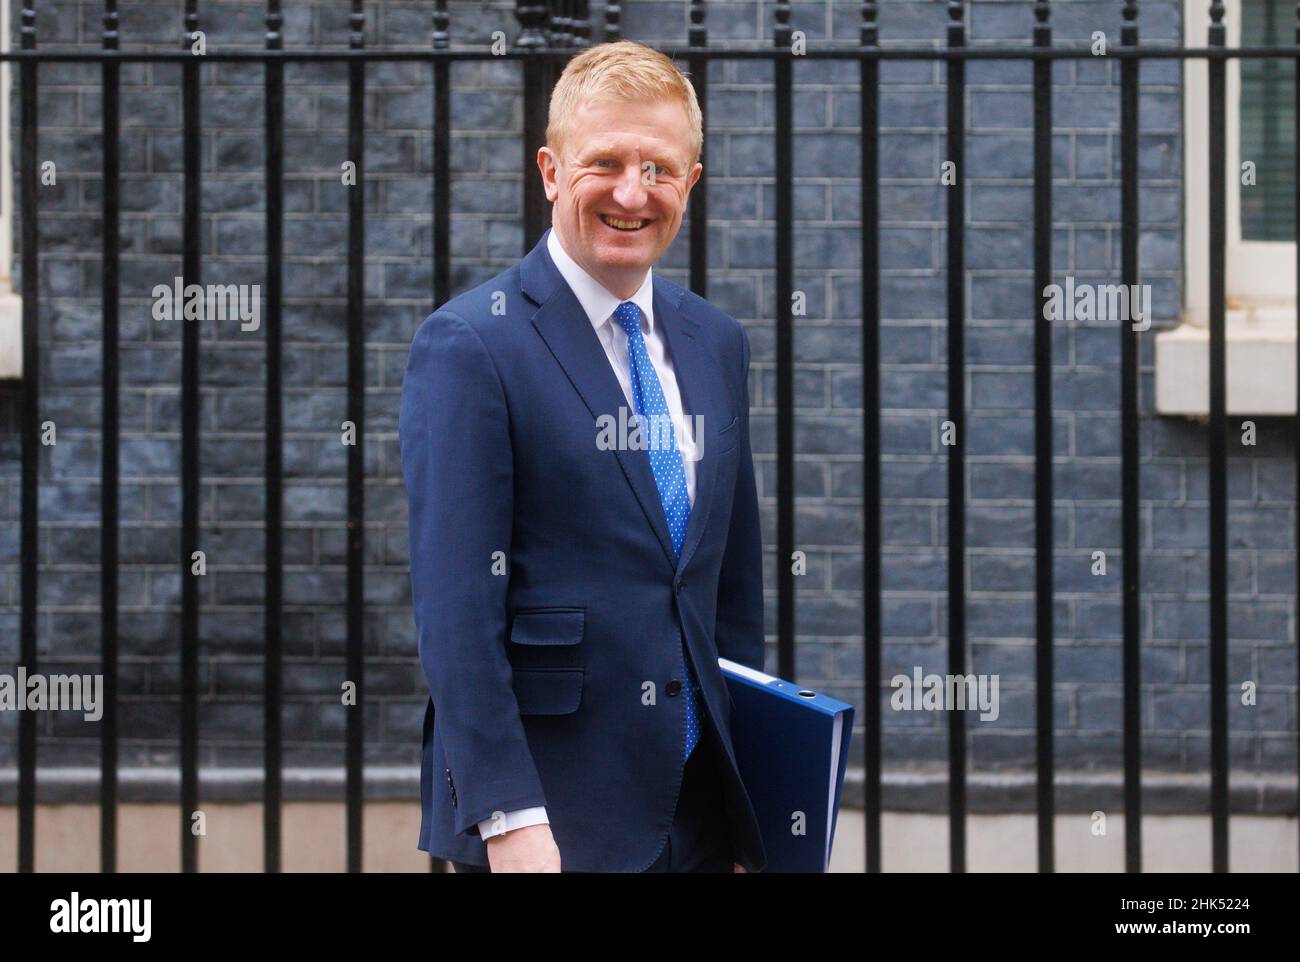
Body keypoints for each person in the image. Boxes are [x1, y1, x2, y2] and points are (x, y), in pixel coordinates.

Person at [399, 39, 766, 873]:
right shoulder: (470, 344)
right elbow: (456, 613)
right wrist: (508, 816)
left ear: (691, 184)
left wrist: (747, 808)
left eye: (660, 169)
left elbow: (729, 599)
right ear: (552, 171)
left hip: (698, 821)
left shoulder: (717, 343)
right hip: (551, 823)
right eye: (605, 162)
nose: (633, 193)